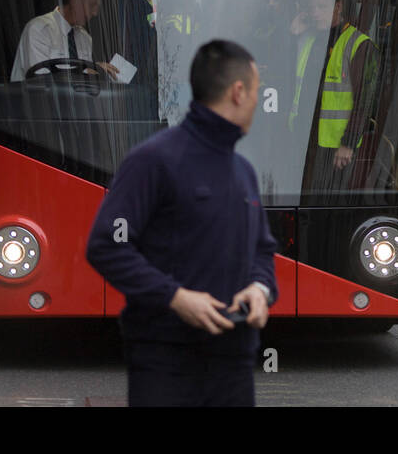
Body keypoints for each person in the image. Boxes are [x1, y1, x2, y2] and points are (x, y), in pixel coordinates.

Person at [86, 40, 278, 407]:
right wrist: (174, 297)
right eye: (256, 92)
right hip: (167, 362)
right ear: (238, 93)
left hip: (234, 363)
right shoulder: (153, 161)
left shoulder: (245, 172)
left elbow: (262, 251)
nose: (259, 102)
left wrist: (260, 288)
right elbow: (106, 245)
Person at [288, 0, 376, 184]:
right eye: (312, 8)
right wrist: (291, 35)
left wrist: (349, 144)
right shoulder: (308, 39)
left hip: (337, 150)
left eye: (322, 6)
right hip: (305, 141)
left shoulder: (359, 44)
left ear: (338, 7)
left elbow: (365, 100)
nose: (315, 13)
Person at [10, 0, 113, 81]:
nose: (95, 13)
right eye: (91, 5)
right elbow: (40, 82)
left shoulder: (84, 38)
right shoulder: (39, 30)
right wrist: (89, 71)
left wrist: (95, 70)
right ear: (74, 0)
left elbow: (84, 85)